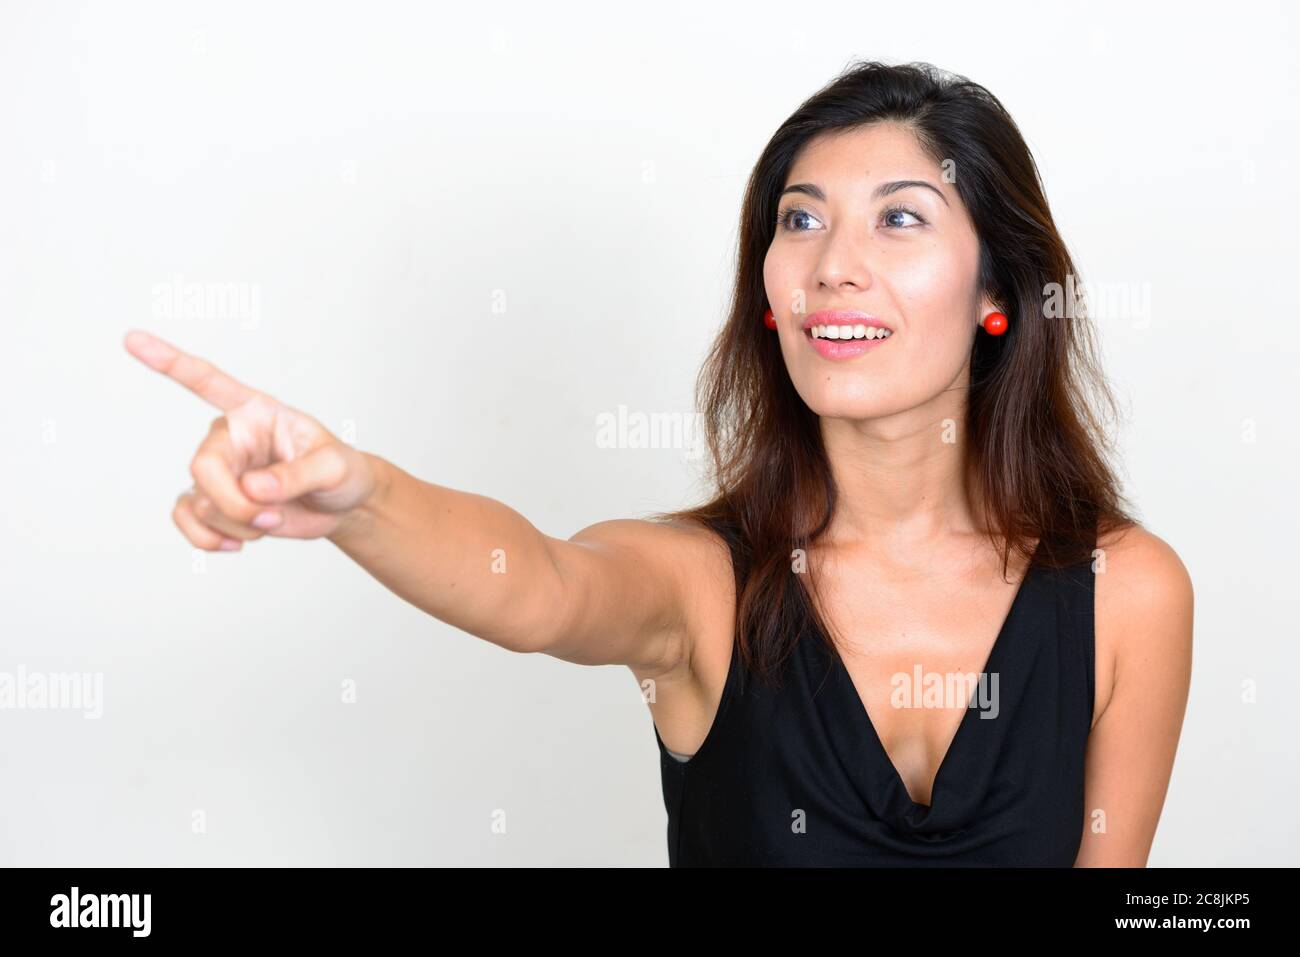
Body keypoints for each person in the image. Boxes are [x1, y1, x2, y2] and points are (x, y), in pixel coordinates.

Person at [124, 60, 1193, 867]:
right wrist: (358, 496)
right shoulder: (700, 584)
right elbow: (541, 587)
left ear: (998, 293)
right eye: (800, 219)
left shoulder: (1127, 593)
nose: (833, 266)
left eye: (898, 220)